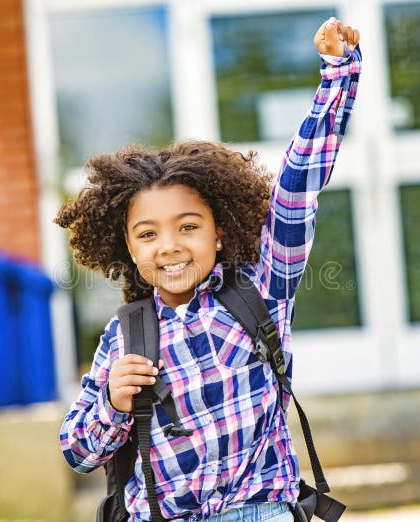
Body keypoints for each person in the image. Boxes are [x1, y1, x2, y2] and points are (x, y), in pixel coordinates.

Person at [55, 16, 362, 522]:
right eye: (148, 234)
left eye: (188, 227)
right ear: (128, 247)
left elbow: (296, 186)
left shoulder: (262, 291)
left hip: (259, 512)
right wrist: (113, 401)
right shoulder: (126, 336)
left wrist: (337, 75)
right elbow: (78, 451)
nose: (169, 247)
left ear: (219, 232)